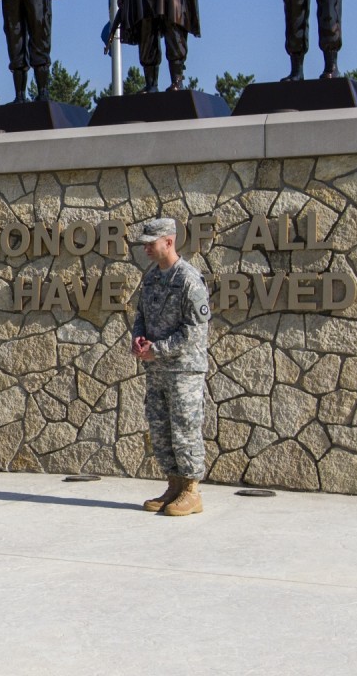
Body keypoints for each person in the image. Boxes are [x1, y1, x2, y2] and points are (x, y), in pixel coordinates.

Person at [130, 218, 211, 517]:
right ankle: (174, 485)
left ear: (169, 241)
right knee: (161, 428)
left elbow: (195, 332)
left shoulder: (189, 279)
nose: (146, 249)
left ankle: (191, 491)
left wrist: (158, 350)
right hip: (157, 371)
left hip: (183, 370)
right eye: (145, 244)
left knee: (185, 428)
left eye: (151, 243)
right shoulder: (151, 278)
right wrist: (138, 338)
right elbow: (141, 315)